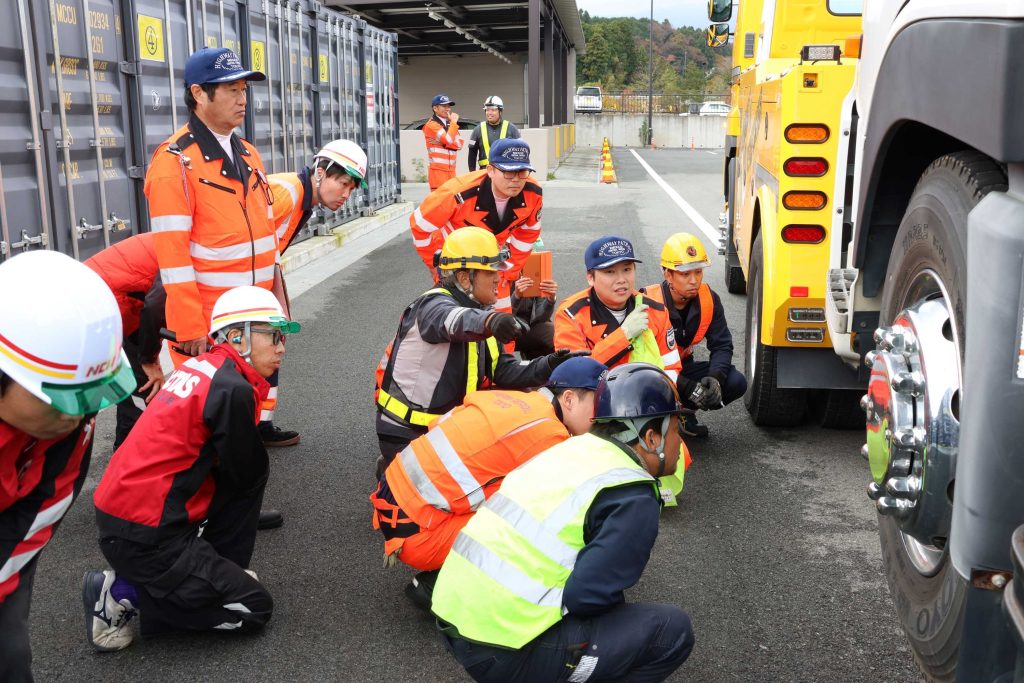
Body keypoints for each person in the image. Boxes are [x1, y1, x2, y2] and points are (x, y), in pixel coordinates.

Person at [431, 363, 695, 683]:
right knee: (672, 632)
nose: (681, 445)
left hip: (455, 616)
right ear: (652, 437)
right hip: (503, 647)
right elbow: (586, 597)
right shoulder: (632, 494)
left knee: (613, 609)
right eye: (677, 430)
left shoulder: (572, 449)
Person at [83, 286, 300, 652]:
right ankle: (122, 594)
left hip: (131, 520)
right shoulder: (231, 386)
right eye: (273, 335)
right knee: (252, 608)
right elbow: (244, 476)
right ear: (236, 337)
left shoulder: (203, 368)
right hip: (147, 536)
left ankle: (186, 580)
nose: (281, 347)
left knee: (238, 474)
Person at [0, 250, 136, 682]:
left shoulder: (70, 407)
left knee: (8, 650)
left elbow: (46, 505)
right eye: (64, 400)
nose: (77, 416)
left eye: (90, 398)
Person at [371, 356, 606, 582]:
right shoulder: (552, 436)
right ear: (569, 399)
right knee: (535, 523)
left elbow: (437, 427)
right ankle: (440, 587)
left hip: (391, 499)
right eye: (597, 404)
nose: (601, 416)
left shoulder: (502, 397)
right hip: (419, 535)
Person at [375, 227, 581, 473]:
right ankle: (394, 471)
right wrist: (490, 322)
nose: (499, 279)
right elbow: (453, 320)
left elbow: (504, 371)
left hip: (444, 428)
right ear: (464, 278)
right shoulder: (431, 305)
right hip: (407, 431)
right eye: (491, 272)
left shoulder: (481, 314)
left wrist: (550, 364)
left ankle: (397, 470)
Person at [144, 47, 273, 365]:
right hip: (209, 328)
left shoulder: (248, 154)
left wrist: (275, 304)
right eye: (232, 90)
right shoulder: (175, 162)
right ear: (199, 93)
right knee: (211, 413)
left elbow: (267, 234)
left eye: (243, 90)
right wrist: (190, 325)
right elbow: (172, 258)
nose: (243, 99)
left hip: (255, 318)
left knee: (252, 410)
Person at [257, 139, 368, 447]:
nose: (346, 195)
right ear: (320, 172)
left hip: (256, 281)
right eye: (342, 184)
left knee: (270, 343)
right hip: (234, 288)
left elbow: (269, 255)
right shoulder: (286, 194)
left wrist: (277, 302)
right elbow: (249, 252)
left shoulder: (303, 197)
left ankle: (260, 427)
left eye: (351, 188)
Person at [410, 137, 543, 316]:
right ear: (490, 170)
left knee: (502, 321)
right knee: (455, 320)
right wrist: (438, 268)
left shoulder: (532, 193)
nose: (516, 180)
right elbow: (419, 227)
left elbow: (529, 233)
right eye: (509, 172)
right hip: (458, 264)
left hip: (493, 263)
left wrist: (510, 271)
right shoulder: (457, 193)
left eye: (523, 172)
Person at [644, 232, 748, 438]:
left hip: (684, 366)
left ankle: (685, 412)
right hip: (653, 373)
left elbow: (722, 345)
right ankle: (654, 420)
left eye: (698, 272)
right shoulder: (647, 302)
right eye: (685, 274)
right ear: (667, 274)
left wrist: (715, 378)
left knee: (735, 382)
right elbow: (642, 360)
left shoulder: (709, 299)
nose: (694, 281)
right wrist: (686, 386)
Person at [83, 233, 166, 449]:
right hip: (97, 310)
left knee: (137, 387)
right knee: (139, 389)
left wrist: (149, 356)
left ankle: (125, 453)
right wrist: (149, 359)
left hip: (117, 306)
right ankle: (130, 458)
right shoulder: (184, 250)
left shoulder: (182, 239)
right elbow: (156, 306)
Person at [467, 95, 521, 172]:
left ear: (500, 111)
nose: (489, 113)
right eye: (487, 110)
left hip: (505, 174)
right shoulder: (477, 130)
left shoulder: (511, 129)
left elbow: (519, 152)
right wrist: (472, 173)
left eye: (493, 110)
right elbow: (472, 153)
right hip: (485, 173)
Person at [511, 270, 557, 359]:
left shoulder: (533, 265)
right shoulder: (499, 268)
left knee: (552, 334)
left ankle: (538, 369)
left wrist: (550, 300)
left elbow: (542, 318)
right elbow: (500, 317)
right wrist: (516, 296)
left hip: (525, 327)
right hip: (500, 327)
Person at [423, 94, 464, 189]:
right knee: (440, 203)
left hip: (451, 171)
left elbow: (459, 144)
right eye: (444, 106)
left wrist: (444, 144)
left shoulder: (450, 124)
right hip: (438, 172)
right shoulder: (431, 125)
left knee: (453, 202)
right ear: (435, 108)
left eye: (448, 106)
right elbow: (448, 139)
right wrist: (453, 123)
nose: (448, 109)